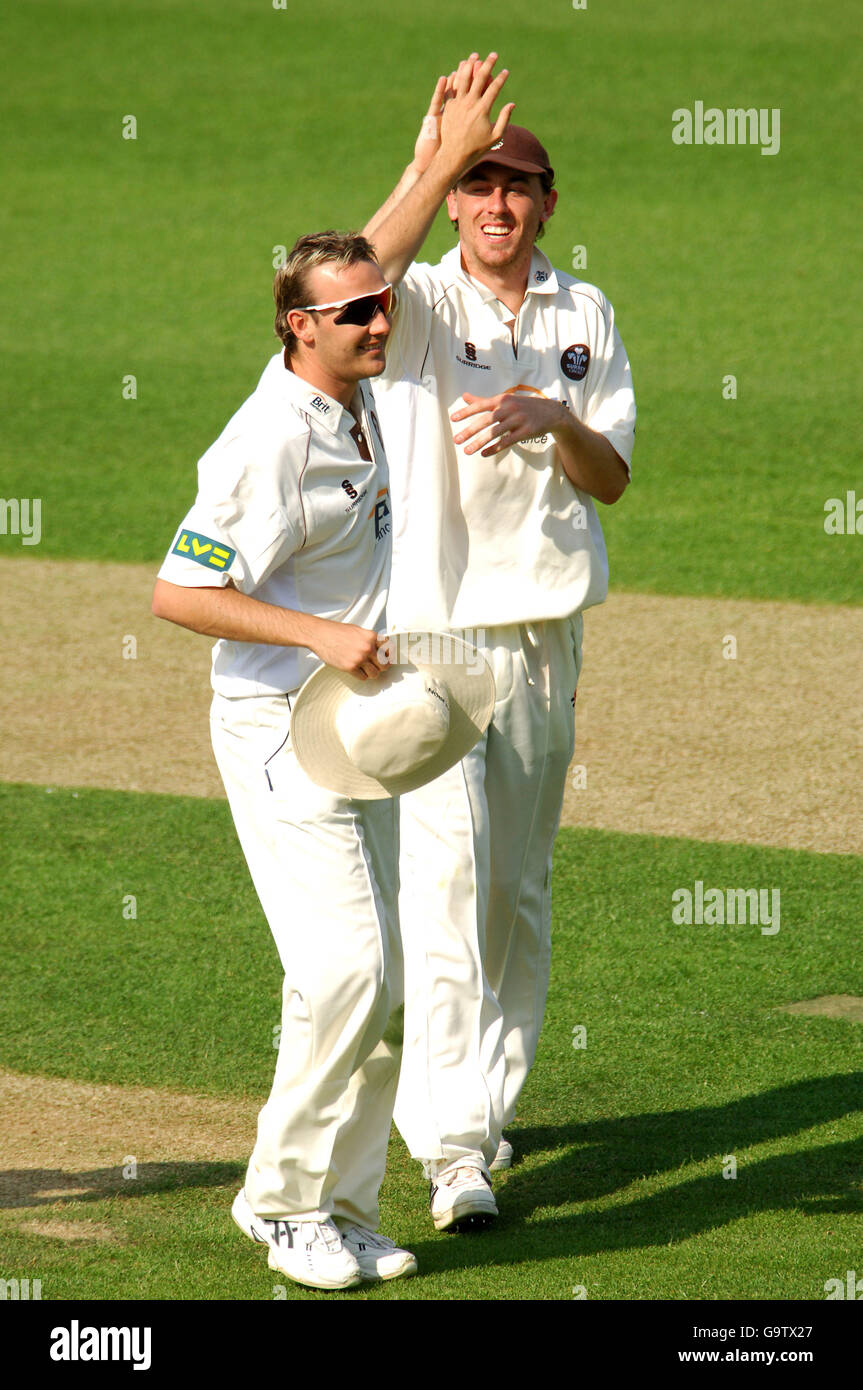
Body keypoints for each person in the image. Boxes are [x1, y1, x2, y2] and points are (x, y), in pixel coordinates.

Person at [361, 54, 637, 1232]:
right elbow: (346, 278)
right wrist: (426, 156)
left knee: (516, 891)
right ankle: (451, 1147)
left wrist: (552, 414)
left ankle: (481, 1110)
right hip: (434, 635)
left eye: (512, 186)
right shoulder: (421, 302)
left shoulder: (583, 314)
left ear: (544, 201)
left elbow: (611, 478)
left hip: (542, 633)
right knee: (449, 875)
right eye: (476, 186)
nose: (493, 205)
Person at [151, 232, 417, 1290]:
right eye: (355, 313)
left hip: (359, 726)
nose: (380, 323)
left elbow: (372, 254)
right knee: (349, 965)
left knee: (377, 982)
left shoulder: (357, 389)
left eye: (383, 304)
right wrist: (317, 635)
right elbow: (178, 593)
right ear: (297, 326)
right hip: (276, 728)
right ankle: (279, 1200)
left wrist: (436, 165)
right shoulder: (265, 443)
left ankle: (343, 1206)